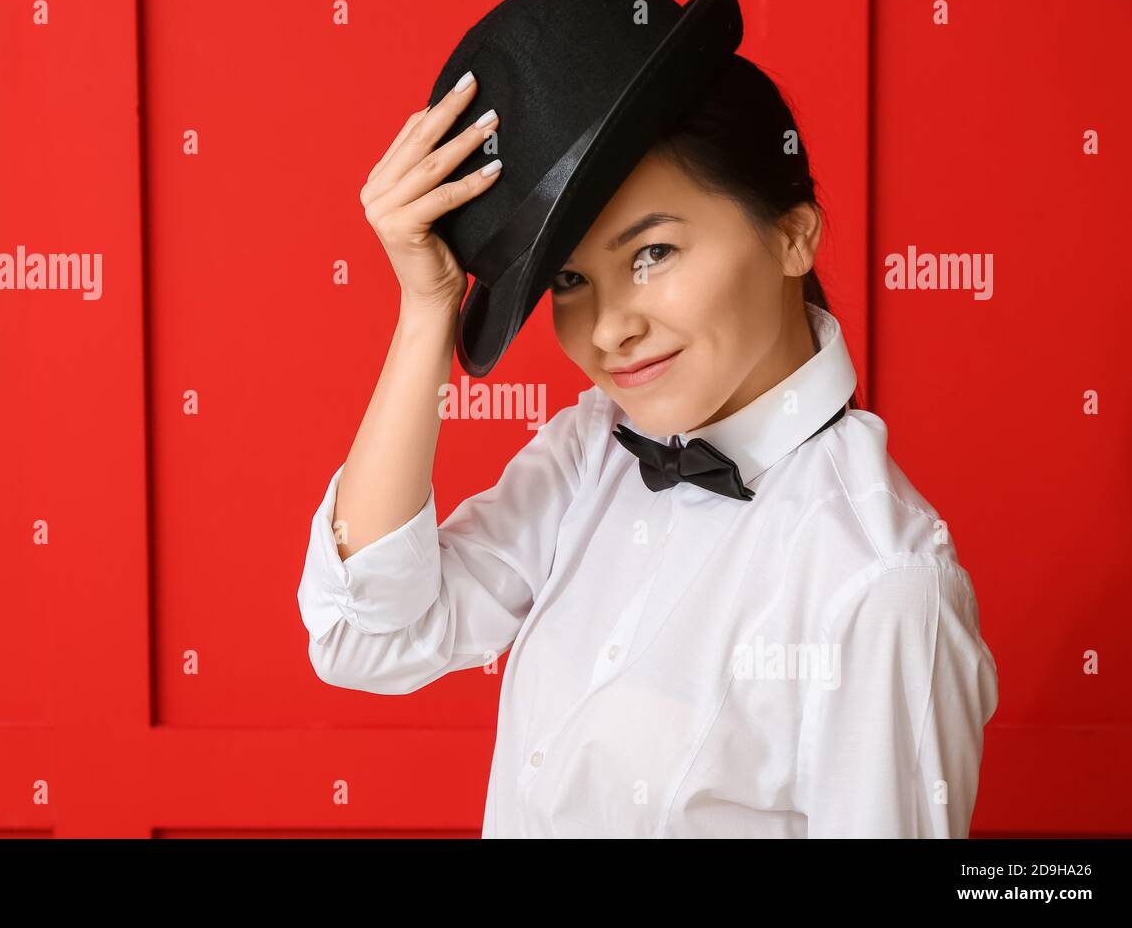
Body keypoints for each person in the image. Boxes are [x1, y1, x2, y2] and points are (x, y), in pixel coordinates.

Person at [296, 43, 998, 838]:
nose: (609, 328)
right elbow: (367, 634)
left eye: (652, 253)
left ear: (793, 237)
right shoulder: (589, 453)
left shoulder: (880, 585)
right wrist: (427, 307)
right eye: (568, 280)